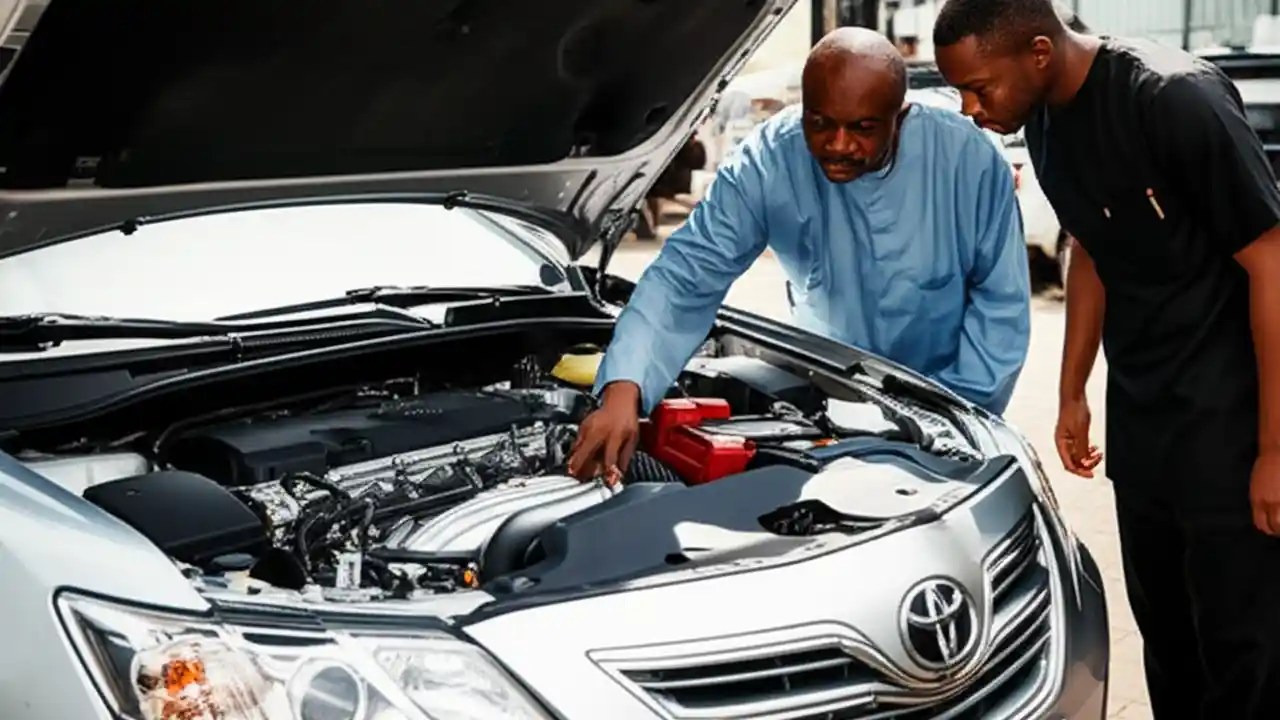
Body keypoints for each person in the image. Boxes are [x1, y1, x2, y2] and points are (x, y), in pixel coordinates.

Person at [932, 2, 1280, 717]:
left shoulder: (1172, 98)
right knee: (1168, 642)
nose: (970, 108)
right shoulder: (1047, 123)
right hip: (1145, 425)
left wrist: (1276, 449)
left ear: (1037, 52)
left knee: (1245, 650)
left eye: (978, 87)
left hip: (1230, 425)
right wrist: (1072, 392)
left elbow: (1272, 263)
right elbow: (1088, 249)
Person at [566, 27, 1031, 481]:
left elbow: (999, 307)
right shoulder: (770, 160)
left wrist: (949, 426)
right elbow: (686, 276)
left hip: (942, 407)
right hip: (829, 400)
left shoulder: (969, 163)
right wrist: (623, 389)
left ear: (901, 114)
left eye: (863, 128)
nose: (839, 144)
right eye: (820, 122)